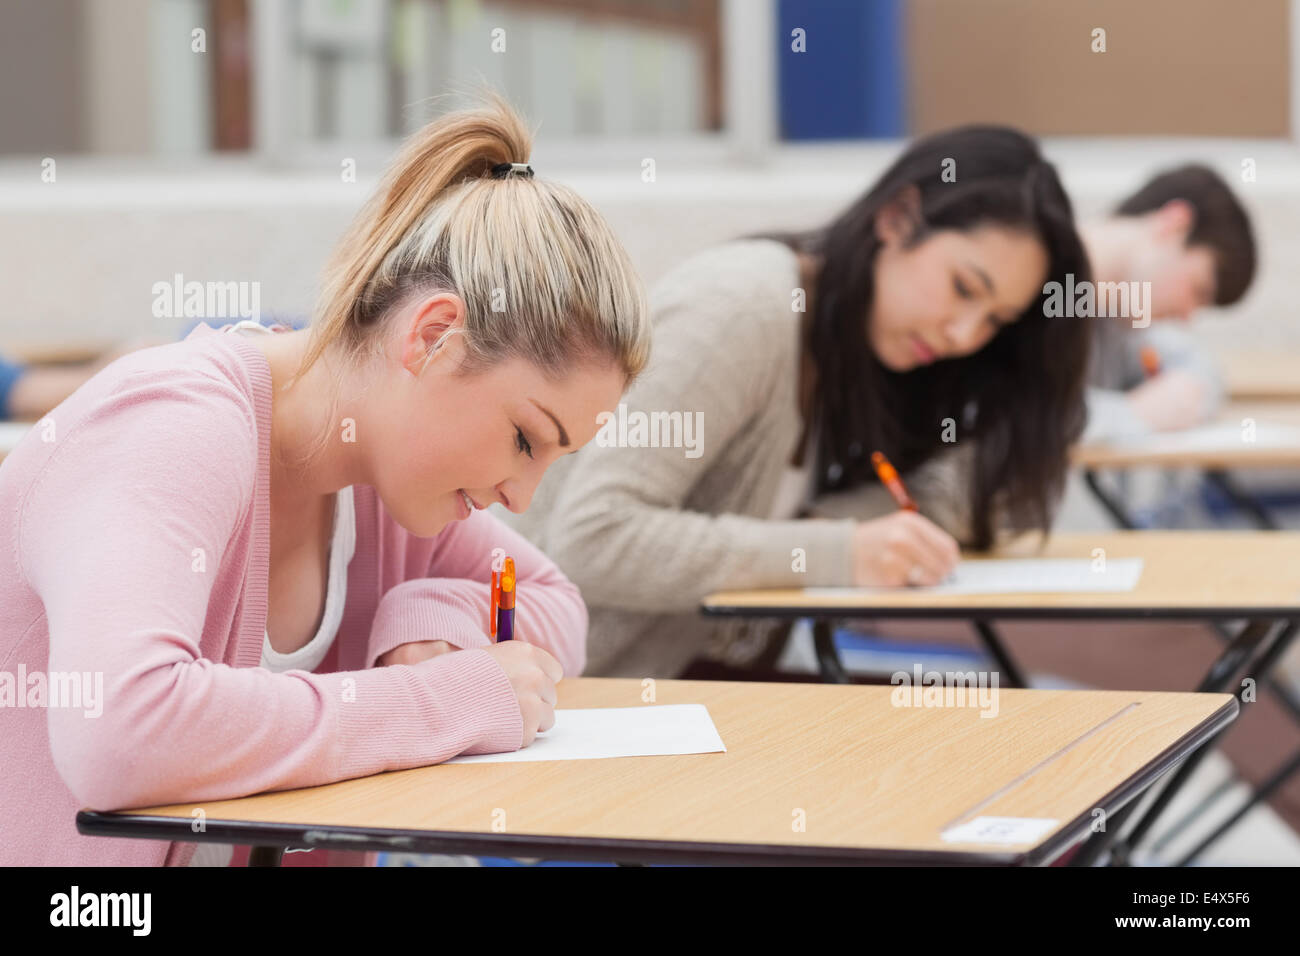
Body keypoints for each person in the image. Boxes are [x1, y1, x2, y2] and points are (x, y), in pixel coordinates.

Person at [0, 92, 651, 866]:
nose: (522, 495)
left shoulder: (384, 485)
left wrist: (435, 617)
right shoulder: (173, 427)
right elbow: (121, 732)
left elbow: (552, 603)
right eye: (523, 439)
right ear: (433, 337)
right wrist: (437, 700)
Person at [494, 125, 1092, 678]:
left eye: (996, 320)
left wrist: (837, 528)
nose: (965, 334)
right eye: (963, 288)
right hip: (569, 697)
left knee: (998, 710)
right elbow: (594, 539)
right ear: (897, 218)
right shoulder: (744, 309)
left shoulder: (881, 353)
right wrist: (836, 552)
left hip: (700, 685)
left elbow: (943, 500)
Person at [1079, 164, 1256, 441]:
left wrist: (1180, 396)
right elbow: (1018, 414)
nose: (1187, 316)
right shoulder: (1033, 280)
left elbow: (1201, 371)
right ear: (1174, 224)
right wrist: (1134, 413)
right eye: (1198, 289)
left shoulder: (1119, 317)